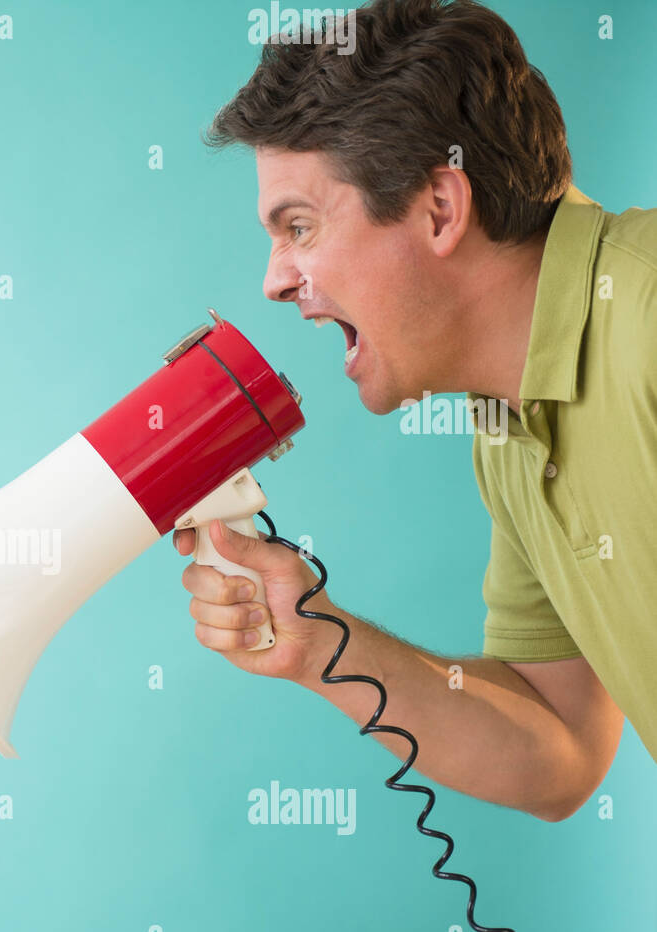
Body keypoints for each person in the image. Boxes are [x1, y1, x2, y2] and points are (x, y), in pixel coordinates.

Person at [175, 0, 655, 823]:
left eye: (300, 226)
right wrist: (319, 640)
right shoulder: (508, 427)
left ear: (440, 207)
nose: (276, 280)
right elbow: (561, 745)